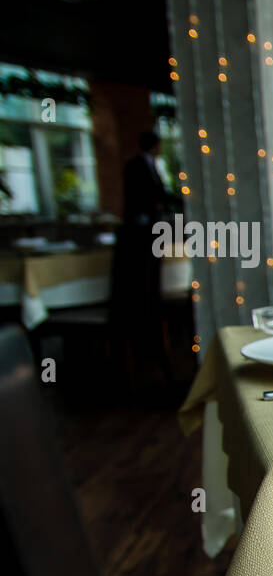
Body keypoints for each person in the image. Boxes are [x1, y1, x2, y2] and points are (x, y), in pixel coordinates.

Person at [111, 131, 179, 387]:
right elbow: (146, 196)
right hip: (140, 232)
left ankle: (151, 334)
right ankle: (146, 336)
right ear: (154, 145)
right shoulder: (136, 166)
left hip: (150, 230)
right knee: (143, 286)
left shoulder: (149, 165)